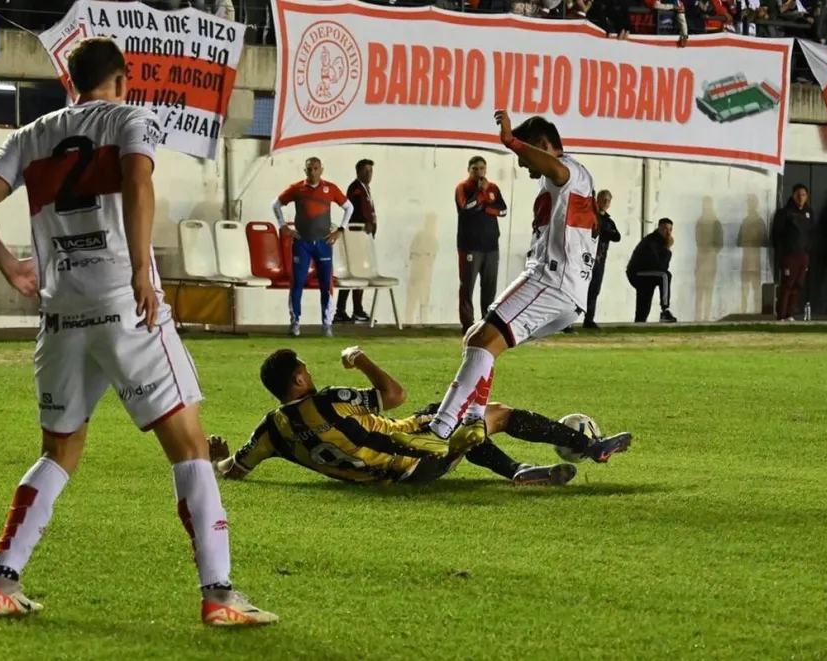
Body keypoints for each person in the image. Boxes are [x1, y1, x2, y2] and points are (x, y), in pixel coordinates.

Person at [0, 37, 275, 626]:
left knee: (58, 451)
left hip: (61, 312)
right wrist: (138, 272)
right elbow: (138, 181)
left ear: (69, 80)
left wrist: (11, 264)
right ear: (123, 78)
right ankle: (220, 593)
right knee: (189, 447)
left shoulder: (32, 135)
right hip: (124, 304)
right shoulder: (133, 117)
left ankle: (3, 582)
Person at [388, 110, 632, 460]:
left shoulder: (569, 172)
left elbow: (555, 167)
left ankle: (438, 429)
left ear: (543, 146)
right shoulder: (571, 180)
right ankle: (473, 419)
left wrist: (510, 141)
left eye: (524, 154)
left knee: (482, 339)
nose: (521, 164)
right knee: (482, 340)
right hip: (565, 293)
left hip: (550, 281)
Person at [211, 347, 631, 487]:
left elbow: (234, 470)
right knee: (494, 414)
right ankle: (590, 446)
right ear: (300, 376)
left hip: (389, 473)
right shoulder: (329, 400)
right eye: (306, 368)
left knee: (453, 418)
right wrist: (360, 359)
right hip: (417, 456)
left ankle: (519, 471)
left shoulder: (271, 430)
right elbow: (393, 395)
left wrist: (215, 458)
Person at [272, 157, 354, 338]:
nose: (313, 172)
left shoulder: (330, 188)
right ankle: (295, 323)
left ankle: (327, 324)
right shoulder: (297, 188)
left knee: (326, 284)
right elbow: (275, 204)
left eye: (316, 168)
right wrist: (284, 227)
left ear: (321, 170)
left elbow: (349, 207)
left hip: (324, 243)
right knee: (297, 283)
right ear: (305, 170)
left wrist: (340, 229)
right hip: (302, 243)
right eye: (309, 169)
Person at [455, 156, 508, 334]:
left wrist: (485, 207)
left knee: (489, 285)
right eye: (475, 169)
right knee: (467, 285)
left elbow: (503, 210)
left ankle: (487, 322)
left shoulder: (493, 187)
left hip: (491, 245)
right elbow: (466, 208)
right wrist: (480, 194)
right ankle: (467, 324)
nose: (479, 172)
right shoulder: (463, 187)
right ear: (468, 170)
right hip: (470, 245)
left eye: (482, 168)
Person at [334, 159, 376, 324]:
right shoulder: (356, 189)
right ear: (358, 171)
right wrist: (363, 224)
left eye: (371, 171)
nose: (369, 174)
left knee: (354, 274)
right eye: (365, 171)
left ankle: (341, 310)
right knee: (357, 273)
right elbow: (356, 211)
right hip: (356, 237)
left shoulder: (365, 189)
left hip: (363, 237)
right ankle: (356, 310)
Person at [771, 184, 815, 322]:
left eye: (803, 195)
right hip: (789, 256)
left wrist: (809, 250)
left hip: (803, 255)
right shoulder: (785, 213)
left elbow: (812, 233)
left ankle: (791, 313)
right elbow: (776, 235)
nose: (801, 198)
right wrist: (783, 251)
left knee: (798, 285)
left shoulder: (809, 213)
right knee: (787, 285)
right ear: (793, 195)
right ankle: (781, 315)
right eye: (798, 195)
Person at [626, 219, 678, 323]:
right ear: (659, 228)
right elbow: (659, 266)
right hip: (637, 274)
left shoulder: (660, 242)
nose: (668, 233)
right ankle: (665, 310)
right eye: (665, 229)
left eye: (670, 230)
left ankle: (639, 324)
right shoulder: (651, 241)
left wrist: (667, 249)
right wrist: (667, 249)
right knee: (665, 276)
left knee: (643, 307)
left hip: (647, 274)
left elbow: (662, 266)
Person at [583, 189, 621, 329]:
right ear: (597, 200)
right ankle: (568, 321)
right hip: (585, 259)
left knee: (594, 289)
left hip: (600, 260)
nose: (606, 203)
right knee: (579, 288)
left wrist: (603, 231)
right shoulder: (590, 216)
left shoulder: (608, 221)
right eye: (604, 200)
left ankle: (589, 319)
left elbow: (617, 236)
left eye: (608, 201)